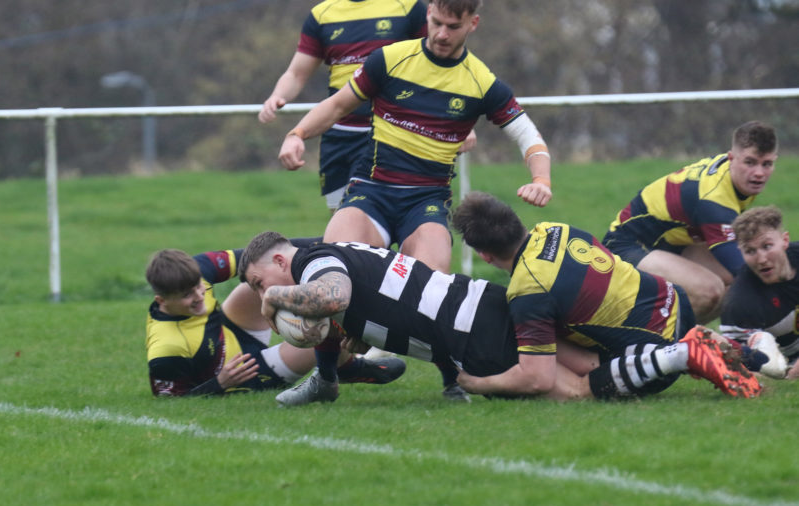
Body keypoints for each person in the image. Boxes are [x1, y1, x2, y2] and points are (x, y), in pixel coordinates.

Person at [276, 0, 552, 399]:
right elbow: (337, 105)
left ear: (473, 24)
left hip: (425, 201)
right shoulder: (389, 59)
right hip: (370, 192)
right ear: (427, 16)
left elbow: (529, 136)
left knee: (430, 292)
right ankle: (326, 380)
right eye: (436, 23)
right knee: (329, 267)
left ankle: (451, 379)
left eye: (452, 27)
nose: (441, 34)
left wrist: (540, 178)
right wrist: (296, 135)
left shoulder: (480, 82)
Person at [238, 230, 761, 404]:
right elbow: (360, 315)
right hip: (483, 304)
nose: (267, 293)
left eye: (262, 280)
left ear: (282, 262)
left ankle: (684, 353)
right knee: (585, 362)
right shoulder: (327, 249)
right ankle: (743, 356)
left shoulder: (315, 262)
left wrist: (273, 300)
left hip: (476, 335)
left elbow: (329, 299)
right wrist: (330, 372)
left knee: (576, 389)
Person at [449, 191, 762, 399]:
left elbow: (538, 379)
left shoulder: (528, 290)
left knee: (578, 390)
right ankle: (750, 355)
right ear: (515, 221)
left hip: (651, 349)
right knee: (567, 332)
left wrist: (478, 383)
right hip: (675, 301)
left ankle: (682, 356)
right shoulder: (556, 228)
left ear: (485, 255)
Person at [145, 246, 405, 397]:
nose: (199, 295)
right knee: (320, 326)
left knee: (263, 276)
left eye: (198, 287)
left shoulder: (197, 272)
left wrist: (324, 249)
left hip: (232, 331)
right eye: (187, 296)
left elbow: (256, 257)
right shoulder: (165, 349)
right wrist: (220, 383)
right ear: (162, 300)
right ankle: (348, 367)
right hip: (244, 372)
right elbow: (172, 402)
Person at [259, 0, 429, 213]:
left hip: (391, 134)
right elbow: (296, 73)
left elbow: (435, 66)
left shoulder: (409, 7)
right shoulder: (322, 15)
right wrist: (277, 96)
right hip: (339, 136)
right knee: (341, 225)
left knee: (387, 220)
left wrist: (452, 122)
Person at [602, 121, 778, 323]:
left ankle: (685, 340)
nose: (759, 173)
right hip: (626, 246)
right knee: (711, 290)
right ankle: (656, 345)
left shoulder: (734, 175)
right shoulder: (713, 199)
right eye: (750, 162)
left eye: (767, 164)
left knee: (735, 286)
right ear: (731, 158)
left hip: (673, 244)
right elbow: (742, 268)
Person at [719, 206, 797, 379]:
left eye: (767, 246)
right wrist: (789, 374)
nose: (761, 259)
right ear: (741, 253)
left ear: (785, 241)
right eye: (751, 251)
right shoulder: (740, 303)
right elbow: (735, 367)